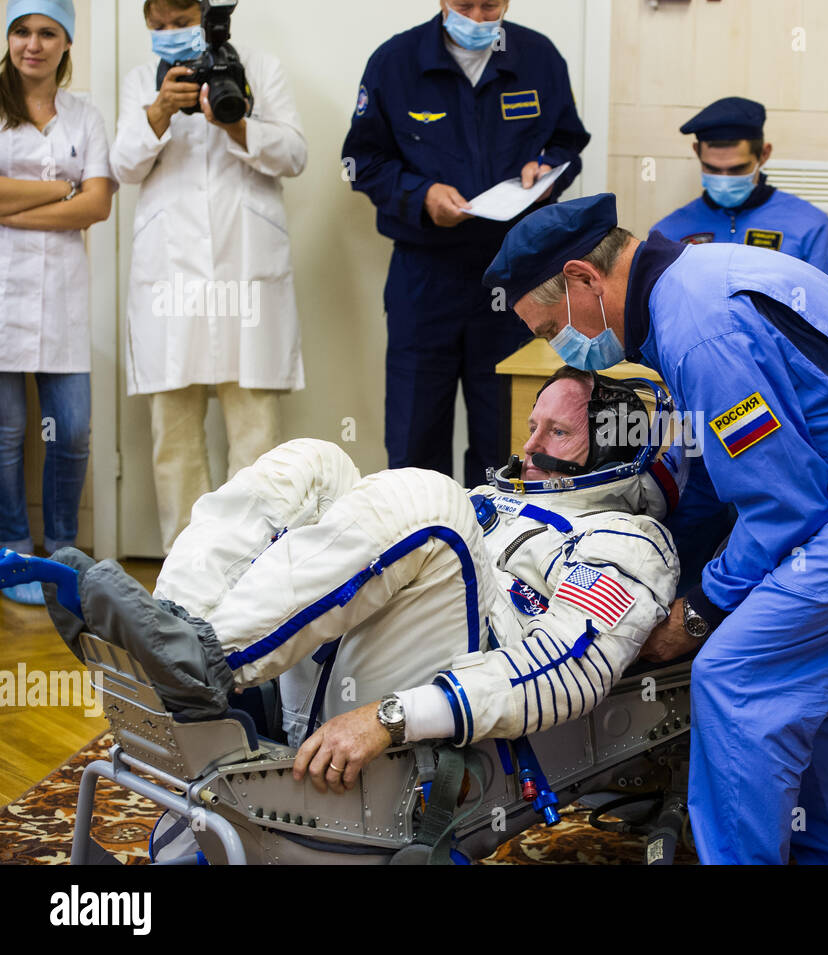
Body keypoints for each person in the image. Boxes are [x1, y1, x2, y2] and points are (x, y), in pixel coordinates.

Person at [485, 192, 828, 864]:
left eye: (553, 328)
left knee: (737, 675)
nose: (564, 347)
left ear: (584, 278)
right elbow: (707, 475)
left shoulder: (699, 328)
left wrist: (695, 610)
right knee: (804, 677)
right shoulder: (691, 284)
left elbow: (783, 505)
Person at [37, 370, 681, 795]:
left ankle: (204, 660)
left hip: (458, 696)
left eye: (558, 433)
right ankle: (173, 635)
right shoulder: (492, 495)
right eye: (532, 425)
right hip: (344, 660)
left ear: (610, 454)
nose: (532, 444)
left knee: (429, 501)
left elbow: (569, 668)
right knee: (314, 462)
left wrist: (393, 718)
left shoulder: (628, 543)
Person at [342, 0, 589, 483]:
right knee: (416, 432)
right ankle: (420, 549)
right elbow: (362, 162)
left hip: (514, 274)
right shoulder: (395, 62)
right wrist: (420, 194)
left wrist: (546, 171)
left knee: (508, 432)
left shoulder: (539, 58)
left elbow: (567, 143)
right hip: (425, 275)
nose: (477, 17)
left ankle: (497, 550)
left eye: (489, 4)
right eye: (464, 4)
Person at [110, 0, 307, 554]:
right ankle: (186, 565)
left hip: (247, 274)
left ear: (208, 17)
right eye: (161, 26)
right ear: (148, 26)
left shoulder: (259, 68)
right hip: (170, 281)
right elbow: (122, 166)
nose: (173, 34)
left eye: (183, 22)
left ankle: (252, 563)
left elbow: (295, 154)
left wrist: (238, 122)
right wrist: (157, 114)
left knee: (255, 438)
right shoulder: (139, 82)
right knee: (173, 438)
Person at [0, 0, 114, 604]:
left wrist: (16, 203)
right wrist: (58, 188)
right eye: (22, 31)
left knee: (69, 432)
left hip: (64, 299)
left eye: (47, 33)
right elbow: (75, 196)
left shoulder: (85, 116)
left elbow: (97, 206)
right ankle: (15, 553)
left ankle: (65, 550)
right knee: (6, 433)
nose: (33, 44)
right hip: (1, 295)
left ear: (66, 44)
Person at [651, 96, 828, 287]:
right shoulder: (668, 232)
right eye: (712, 169)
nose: (725, 179)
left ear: (764, 154)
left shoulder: (810, 227)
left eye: (737, 170)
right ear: (697, 152)